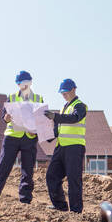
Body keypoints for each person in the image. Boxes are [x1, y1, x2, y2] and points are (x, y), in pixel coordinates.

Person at [0, 71, 45, 205]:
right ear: (18, 84)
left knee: (27, 171)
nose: (24, 85)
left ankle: (25, 200)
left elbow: (42, 120)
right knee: (3, 168)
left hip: (29, 137)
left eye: (26, 83)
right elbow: (4, 116)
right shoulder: (11, 97)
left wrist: (37, 130)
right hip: (12, 138)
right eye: (21, 83)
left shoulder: (39, 99)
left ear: (30, 82)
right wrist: (6, 118)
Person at [44, 78, 87, 213]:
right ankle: (60, 206)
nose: (64, 95)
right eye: (62, 93)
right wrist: (44, 136)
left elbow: (74, 118)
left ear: (73, 89)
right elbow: (58, 130)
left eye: (66, 92)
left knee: (74, 179)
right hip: (61, 147)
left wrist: (55, 117)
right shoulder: (64, 107)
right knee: (52, 175)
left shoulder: (80, 106)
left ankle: (76, 210)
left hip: (75, 148)